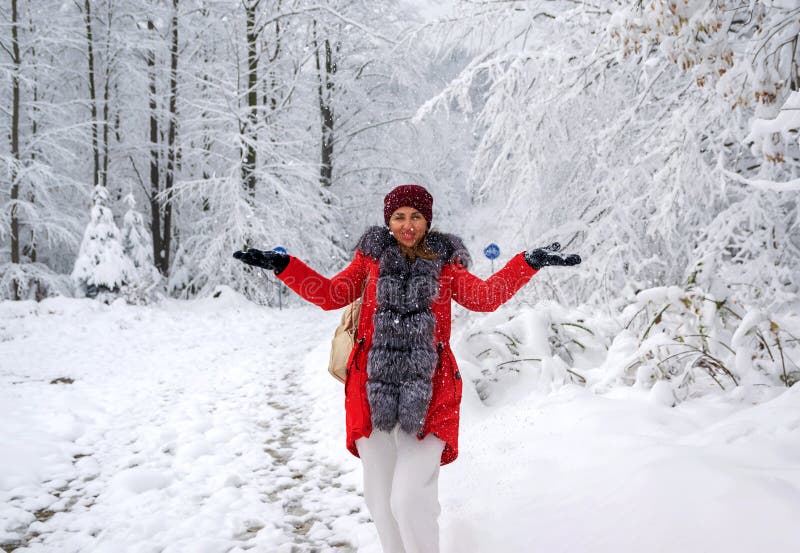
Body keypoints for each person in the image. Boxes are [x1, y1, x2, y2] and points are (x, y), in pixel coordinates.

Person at [233, 184, 581, 553]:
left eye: (415, 216)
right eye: (399, 216)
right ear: (388, 221)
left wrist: (528, 262)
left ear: (427, 221)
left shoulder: (445, 265)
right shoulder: (370, 260)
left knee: (409, 500)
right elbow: (331, 293)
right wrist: (285, 266)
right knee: (381, 503)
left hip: (430, 392)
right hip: (372, 390)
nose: (407, 225)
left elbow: (484, 297)